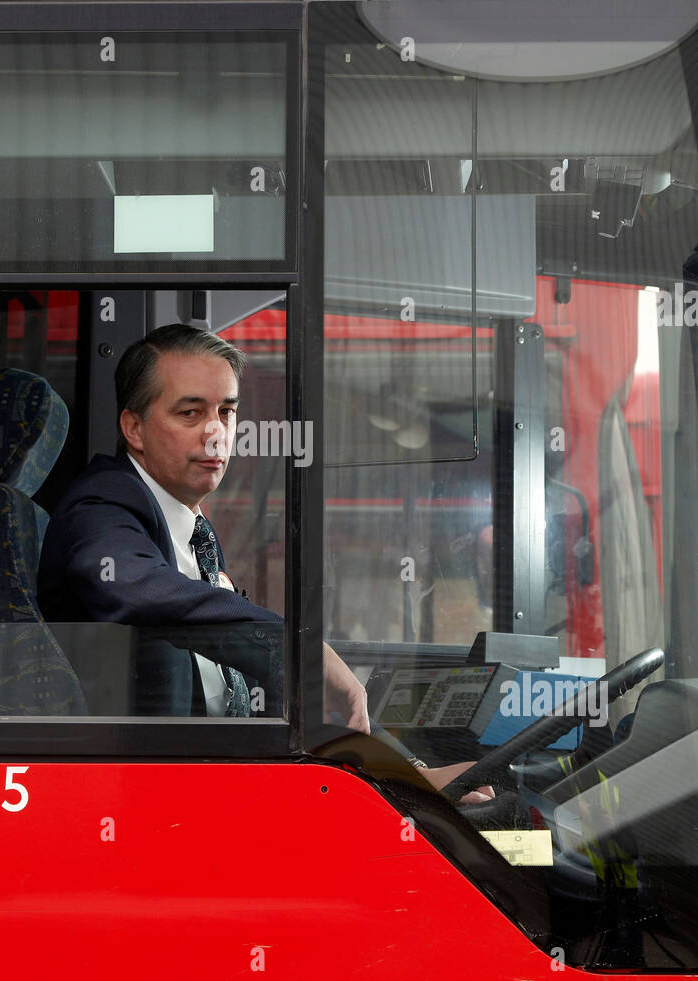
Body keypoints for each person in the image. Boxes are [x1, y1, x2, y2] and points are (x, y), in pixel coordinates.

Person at [38, 323, 491, 803]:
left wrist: (406, 770)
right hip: (150, 801)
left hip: (223, 775)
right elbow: (138, 589)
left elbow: (267, 676)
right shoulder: (100, 508)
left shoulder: (186, 526)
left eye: (227, 413)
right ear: (134, 428)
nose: (216, 435)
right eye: (190, 413)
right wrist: (299, 654)